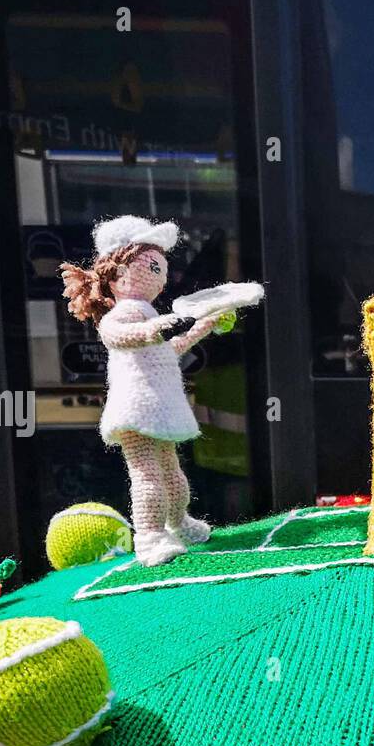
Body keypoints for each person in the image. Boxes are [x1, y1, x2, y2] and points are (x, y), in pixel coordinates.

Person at [60, 216, 224, 566]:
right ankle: (150, 537)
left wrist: (199, 328)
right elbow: (117, 336)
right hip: (136, 410)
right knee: (148, 475)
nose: (160, 276)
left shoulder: (146, 311)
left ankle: (179, 523)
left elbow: (166, 349)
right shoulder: (123, 314)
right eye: (152, 266)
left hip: (158, 408)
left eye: (161, 267)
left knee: (173, 475)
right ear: (118, 275)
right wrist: (158, 328)